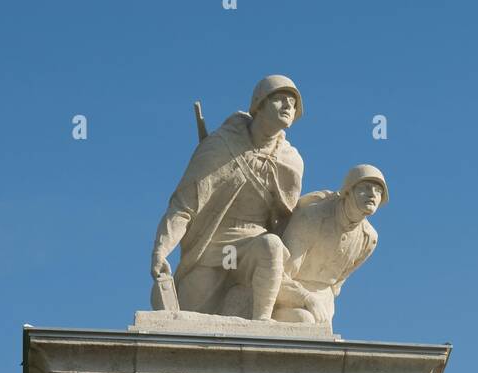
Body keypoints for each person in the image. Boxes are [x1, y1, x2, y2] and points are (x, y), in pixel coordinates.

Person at [150, 75, 304, 320]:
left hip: (253, 243)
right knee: (189, 314)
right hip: (212, 244)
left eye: (293, 103)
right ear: (259, 104)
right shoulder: (220, 145)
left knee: (272, 246)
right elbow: (184, 206)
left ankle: (262, 326)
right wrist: (161, 251)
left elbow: (287, 223)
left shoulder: (291, 160)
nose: (288, 106)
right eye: (279, 99)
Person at [273, 165, 388, 327]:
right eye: (365, 188)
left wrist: (320, 302)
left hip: (323, 303)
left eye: (378, 191)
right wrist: (306, 299)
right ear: (348, 191)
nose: (372, 194)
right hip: (284, 297)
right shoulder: (312, 218)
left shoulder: (369, 239)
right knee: (305, 322)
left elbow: (337, 283)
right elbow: (277, 275)